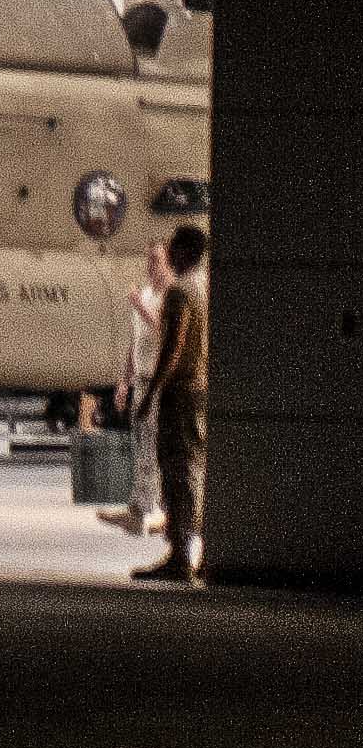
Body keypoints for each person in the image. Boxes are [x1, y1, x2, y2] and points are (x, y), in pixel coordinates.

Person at [133, 224, 210, 585]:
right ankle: (184, 551)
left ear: (181, 251)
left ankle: (180, 555)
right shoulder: (205, 287)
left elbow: (172, 346)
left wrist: (151, 393)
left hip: (180, 393)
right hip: (199, 390)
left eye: (172, 248)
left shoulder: (180, 292)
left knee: (178, 471)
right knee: (190, 468)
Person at [102, 239, 171, 536]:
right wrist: (123, 380)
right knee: (142, 442)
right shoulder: (145, 291)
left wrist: (140, 306)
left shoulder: (170, 295)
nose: (150, 264)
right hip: (141, 378)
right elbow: (136, 340)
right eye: (149, 259)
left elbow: (164, 332)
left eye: (156, 259)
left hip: (160, 379)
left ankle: (158, 510)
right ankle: (139, 507)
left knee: (158, 444)